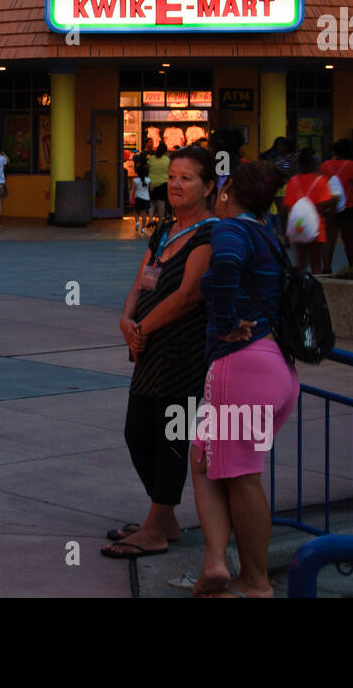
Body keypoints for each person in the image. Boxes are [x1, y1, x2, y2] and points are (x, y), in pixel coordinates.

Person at [190, 160, 299, 598]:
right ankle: (216, 563)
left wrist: (224, 321)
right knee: (202, 457)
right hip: (276, 366)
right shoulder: (268, 235)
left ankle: (254, 580)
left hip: (241, 363)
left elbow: (226, 268)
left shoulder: (230, 229)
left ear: (228, 190)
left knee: (243, 475)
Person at [104, 146, 218, 559]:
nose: (175, 184)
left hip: (184, 355)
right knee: (137, 433)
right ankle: (164, 517)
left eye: (187, 177)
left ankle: (155, 527)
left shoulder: (209, 232)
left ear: (208, 186)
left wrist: (141, 329)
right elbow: (141, 282)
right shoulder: (165, 229)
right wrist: (126, 320)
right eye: (172, 176)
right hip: (148, 352)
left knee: (171, 437)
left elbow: (189, 296)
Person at [284, 149, 334, 273]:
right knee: (315, 263)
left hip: (298, 226)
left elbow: (288, 206)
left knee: (300, 262)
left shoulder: (292, 181)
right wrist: (334, 200)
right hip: (317, 227)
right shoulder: (321, 181)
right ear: (314, 163)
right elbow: (322, 206)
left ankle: (301, 288)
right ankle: (314, 289)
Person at [320, 139, 353, 273]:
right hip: (348, 207)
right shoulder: (351, 165)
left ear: (334, 151)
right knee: (349, 239)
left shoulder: (325, 165)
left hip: (329, 206)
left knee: (329, 239)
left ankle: (326, 268)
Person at [259, 136, 295, 237]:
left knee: (283, 211)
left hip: (287, 186)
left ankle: (286, 234)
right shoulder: (274, 157)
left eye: (282, 145)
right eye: (278, 145)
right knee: (270, 209)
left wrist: (276, 172)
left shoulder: (292, 157)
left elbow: (290, 172)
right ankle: (278, 234)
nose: (280, 148)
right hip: (275, 185)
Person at [149, 143, 171, 223]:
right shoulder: (167, 160)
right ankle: (161, 220)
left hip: (152, 183)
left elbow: (149, 169)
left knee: (152, 202)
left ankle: (151, 219)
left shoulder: (151, 158)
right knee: (161, 202)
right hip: (163, 183)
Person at [131, 155, 152, 234]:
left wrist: (130, 198)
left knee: (136, 211)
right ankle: (143, 228)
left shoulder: (135, 180)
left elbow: (133, 190)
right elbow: (151, 188)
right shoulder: (148, 180)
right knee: (144, 215)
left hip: (138, 198)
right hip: (146, 198)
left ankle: (137, 222)